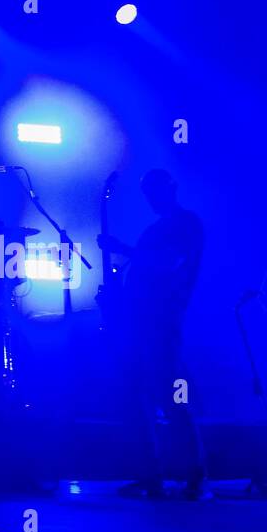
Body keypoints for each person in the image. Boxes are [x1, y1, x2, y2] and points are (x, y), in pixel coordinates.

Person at [98, 169, 208, 498]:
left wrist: (124, 249)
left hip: (162, 322)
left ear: (170, 188)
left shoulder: (186, 223)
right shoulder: (155, 228)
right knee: (135, 396)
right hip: (140, 322)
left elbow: (169, 263)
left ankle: (194, 475)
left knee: (170, 394)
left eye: (155, 190)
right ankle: (150, 475)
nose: (151, 198)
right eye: (147, 192)